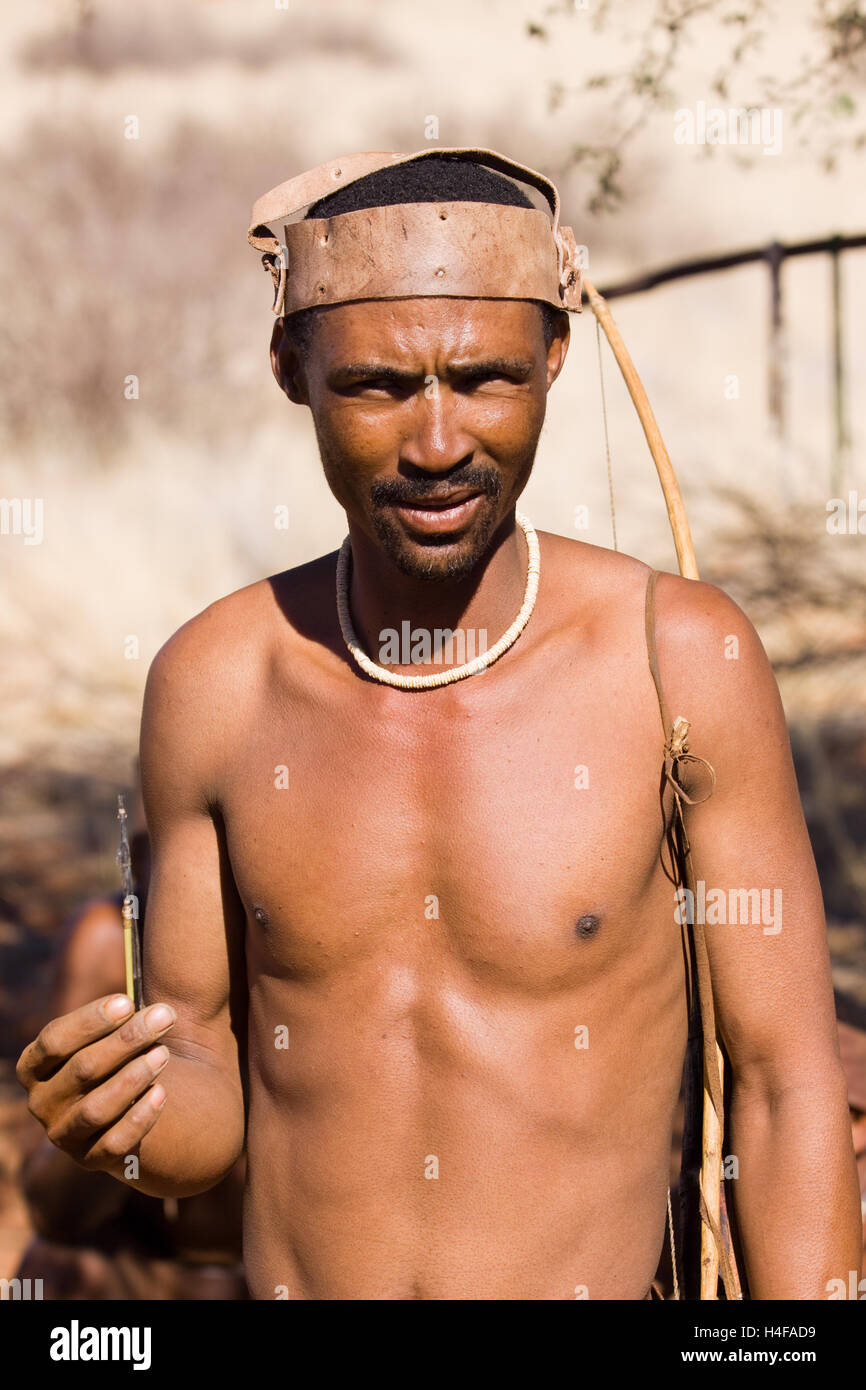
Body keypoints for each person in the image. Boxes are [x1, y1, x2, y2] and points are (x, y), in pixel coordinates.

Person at [16, 149, 861, 1300]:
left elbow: (781, 1086)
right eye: (373, 387)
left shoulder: (678, 663)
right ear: (289, 369)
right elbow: (207, 1089)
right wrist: (124, 1119)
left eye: (485, 380)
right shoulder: (213, 682)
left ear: (554, 357)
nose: (436, 446)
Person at [15, 796, 246, 1299]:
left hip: (227, 1263)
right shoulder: (105, 940)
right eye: (154, 851)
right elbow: (54, 1209)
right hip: (108, 1258)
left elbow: (220, 1241)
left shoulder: (281, 967)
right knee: (52, 1268)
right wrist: (97, 1127)